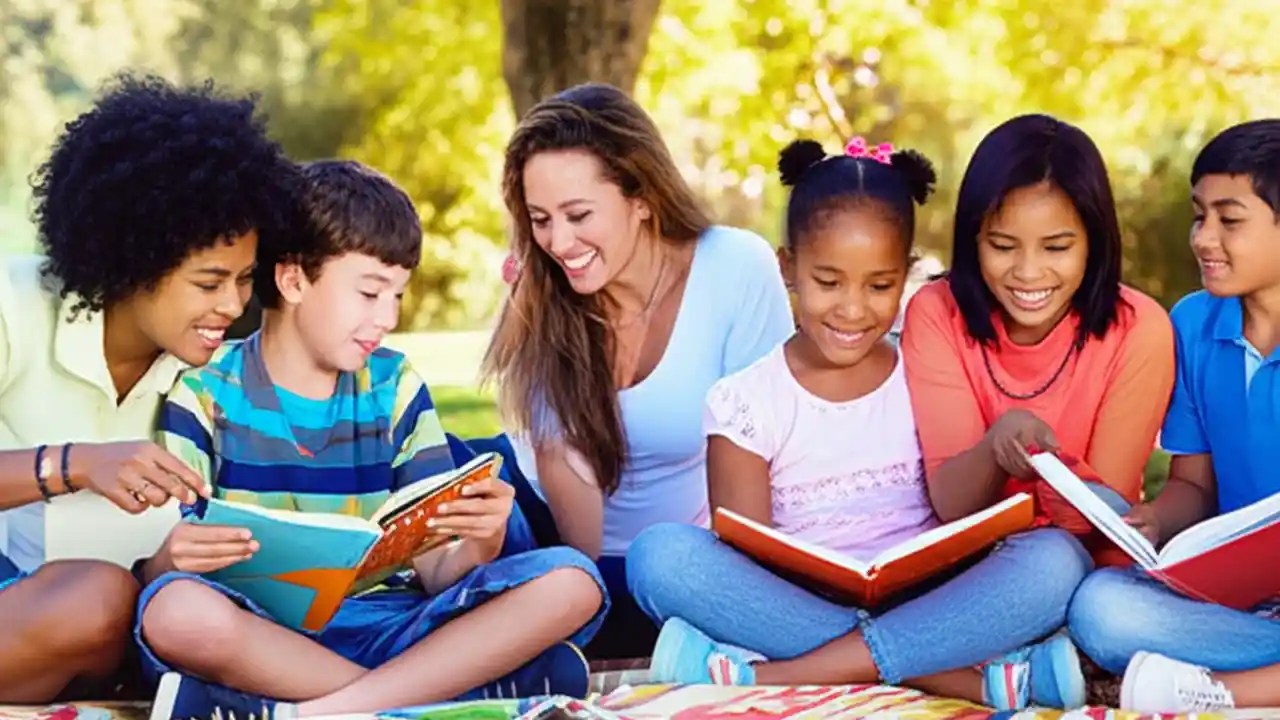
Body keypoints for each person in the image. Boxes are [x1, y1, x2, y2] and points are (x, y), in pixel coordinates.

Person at [626, 135, 1091, 710]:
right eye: (828, 282)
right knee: (660, 557)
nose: (852, 309)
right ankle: (959, 678)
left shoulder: (926, 371)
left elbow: (966, 507)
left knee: (1058, 561)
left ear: (906, 275)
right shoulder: (745, 402)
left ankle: (768, 676)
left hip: (934, 600)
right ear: (788, 268)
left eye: (879, 286)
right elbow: (746, 559)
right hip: (800, 605)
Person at [138, 160, 608, 720]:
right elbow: (175, 565)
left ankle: (310, 713)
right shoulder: (204, 395)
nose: (387, 317)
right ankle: (440, 697)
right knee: (174, 611)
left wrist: (480, 540)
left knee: (573, 582)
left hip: (396, 625)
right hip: (267, 638)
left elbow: (438, 572)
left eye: (397, 296)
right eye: (369, 293)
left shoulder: (394, 385)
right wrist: (170, 558)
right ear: (293, 281)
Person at [0, 74, 297, 703]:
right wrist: (75, 465)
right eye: (208, 282)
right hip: (34, 610)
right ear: (132, 263)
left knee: (111, 601)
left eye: (245, 279)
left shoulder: (217, 377)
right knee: (97, 598)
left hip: (111, 636)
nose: (232, 305)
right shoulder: (12, 307)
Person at [481, 83, 794, 657]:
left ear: (642, 197)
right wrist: (578, 596)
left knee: (659, 566)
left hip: (678, 561)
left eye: (578, 215)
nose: (558, 242)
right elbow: (577, 538)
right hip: (568, 552)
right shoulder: (549, 295)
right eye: (540, 219)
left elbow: (772, 460)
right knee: (450, 473)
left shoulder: (733, 267)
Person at [898, 114, 1175, 708]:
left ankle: (861, 656)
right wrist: (996, 448)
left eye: (1057, 247)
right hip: (961, 570)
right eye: (1002, 246)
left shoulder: (1139, 329)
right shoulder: (936, 312)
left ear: (1094, 240)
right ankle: (968, 666)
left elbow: (1100, 521)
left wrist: (1042, 477)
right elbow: (951, 504)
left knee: (1059, 565)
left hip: (1074, 579)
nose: (1028, 273)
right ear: (972, 238)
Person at [1068, 119, 1280, 714]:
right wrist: (1155, 522)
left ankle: (1226, 691)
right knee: (1101, 608)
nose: (1204, 238)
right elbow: (1194, 485)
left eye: (1229, 220)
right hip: (1245, 601)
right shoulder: (1192, 323)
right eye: (1199, 215)